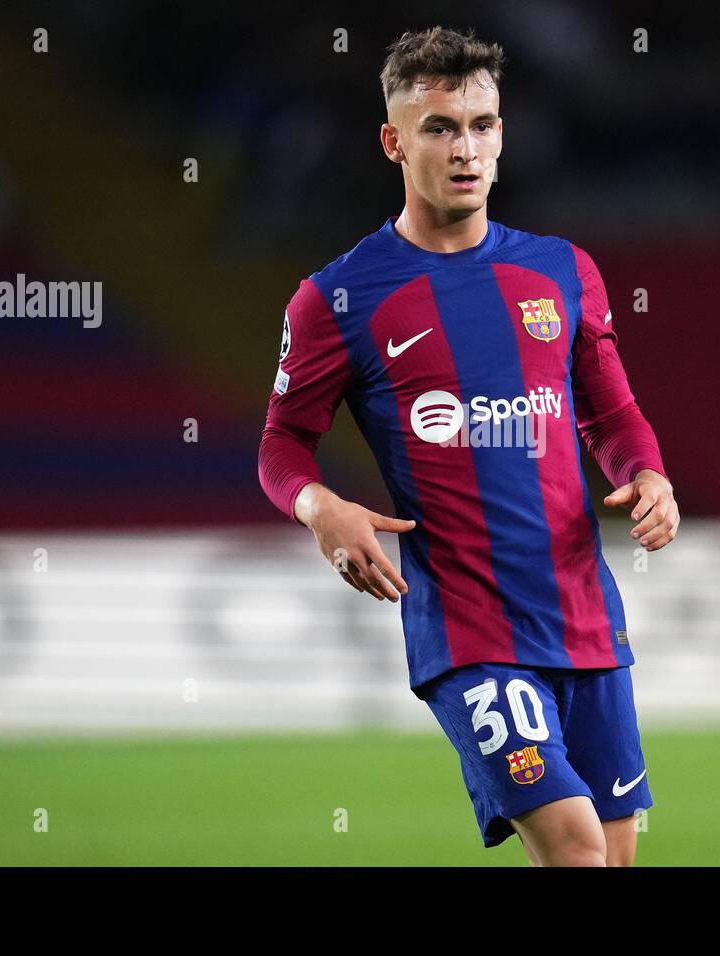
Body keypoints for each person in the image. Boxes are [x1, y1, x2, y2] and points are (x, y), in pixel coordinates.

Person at [258, 25, 679, 866]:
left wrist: (649, 474)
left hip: (584, 614)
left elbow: (613, 416)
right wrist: (320, 507)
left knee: (617, 856)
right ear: (394, 142)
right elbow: (282, 445)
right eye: (441, 128)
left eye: (483, 125)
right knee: (575, 849)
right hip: (468, 627)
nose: (466, 149)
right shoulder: (337, 299)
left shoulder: (562, 272)